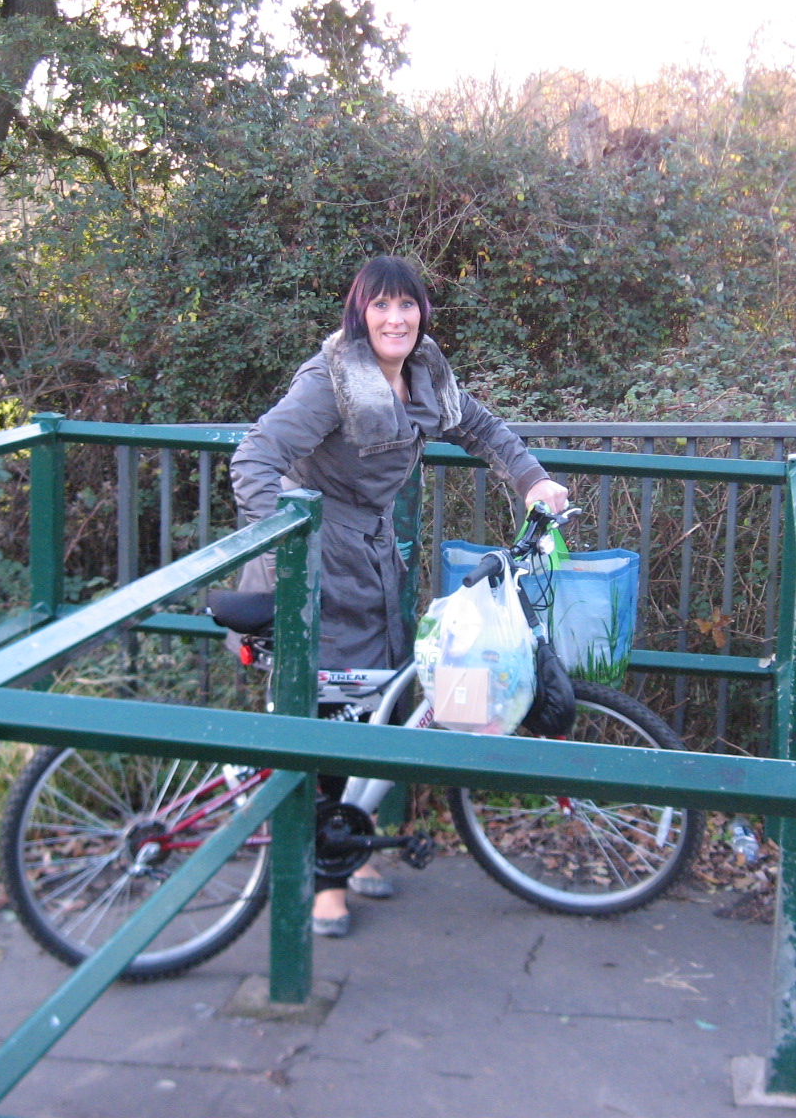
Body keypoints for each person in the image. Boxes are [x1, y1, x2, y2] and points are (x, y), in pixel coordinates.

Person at [230, 255, 568, 936]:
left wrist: (532, 480)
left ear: (421, 315)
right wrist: (293, 541)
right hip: (313, 565)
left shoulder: (425, 374)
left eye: (406, 306)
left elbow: (479, 427)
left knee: (377, 704)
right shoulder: (331, 381)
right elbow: (253, 459)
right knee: (326, 714)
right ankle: (323, 883)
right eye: (380, 306)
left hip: (376, 562)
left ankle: (348, 851)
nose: (395, 318)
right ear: (360, 313)